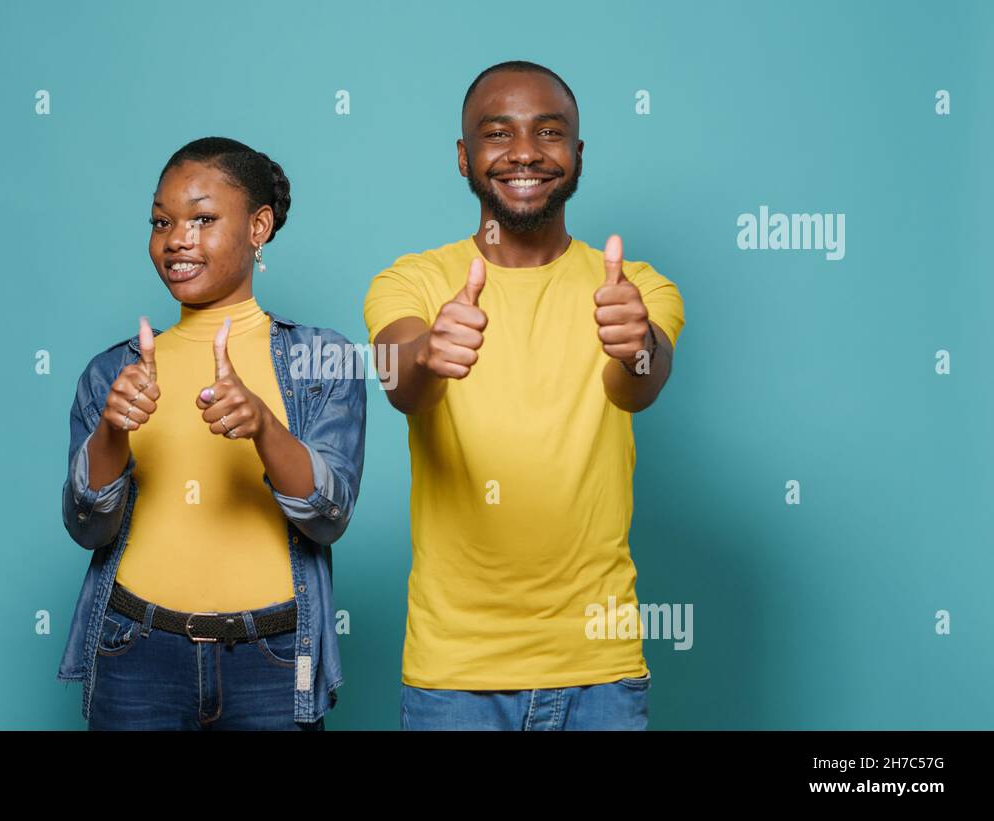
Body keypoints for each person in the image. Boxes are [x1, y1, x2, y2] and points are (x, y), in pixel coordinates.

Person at [363, 61, 685, 730]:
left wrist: (637, 345)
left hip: (600, 671)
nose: (525, 153)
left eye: (548, 132)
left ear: (577, 155)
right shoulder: (413, 280)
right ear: (464, 157)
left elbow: (640, 385)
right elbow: (400, 383)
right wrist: (428, 355)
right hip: (454, 678)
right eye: (497, 133)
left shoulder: (636, 287)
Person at [57, 137, 366, 730]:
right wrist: (111, 432)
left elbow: (327, 516)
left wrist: (264, 426)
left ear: (259, 226)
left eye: (203, 218)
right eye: (161, 221)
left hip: (274, 659)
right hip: (134, 651)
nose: (177, 239)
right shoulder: (112, 373)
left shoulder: (321, 360)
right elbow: (86, 526)